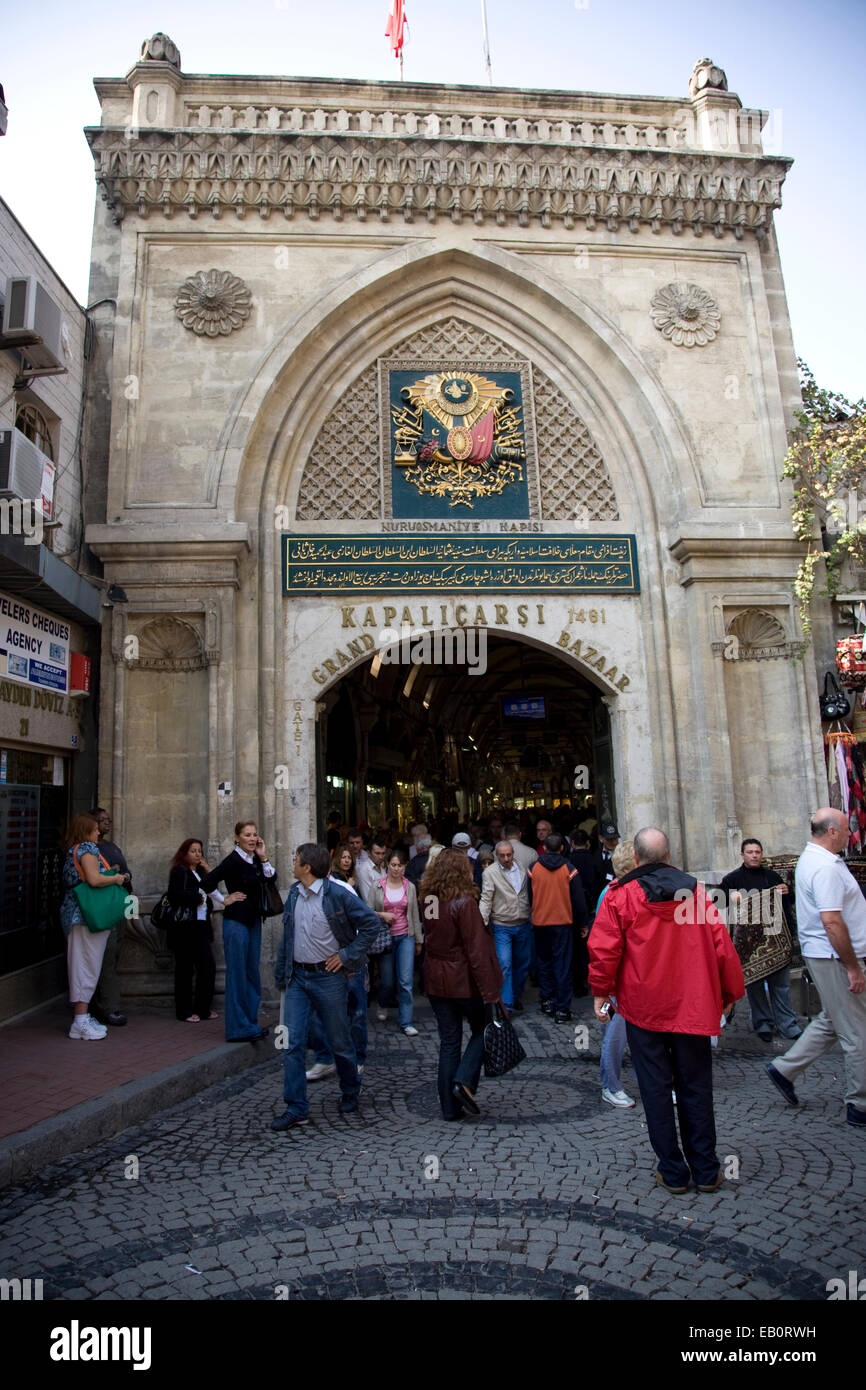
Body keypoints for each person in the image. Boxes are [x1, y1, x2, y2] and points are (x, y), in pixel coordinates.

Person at [590, 827, 745, 1192]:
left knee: (656, 1088)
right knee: (695, 1086)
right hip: (691, 1005)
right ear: (670, 854)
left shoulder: (621, 897)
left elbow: (603, 949)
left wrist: (600, 992)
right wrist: (729, 993)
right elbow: (721, 944)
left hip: (644, 1007)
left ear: (638, 858)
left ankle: (673, 1171)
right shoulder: (695, 894)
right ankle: (706, 1170)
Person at [764, 808, 866, 1127]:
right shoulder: (825, 867)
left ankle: (784, 1069)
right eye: (847, 829)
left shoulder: (813, 858)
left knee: (832, 1019)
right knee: (857, 1032)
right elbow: (832, 921)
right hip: (834, 956)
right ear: (832, 832)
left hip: (825, 954)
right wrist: (853, 967)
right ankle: (859, 1103)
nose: (851, 834)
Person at [272, 842, 381, 1131]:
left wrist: (345, 956)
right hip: (298, 978)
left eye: (295, 859)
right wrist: (282, 972)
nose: (292, 863)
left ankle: (350, 1088)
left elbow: (370, 922)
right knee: (292, 1043)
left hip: (328, 978)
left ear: (307, 867)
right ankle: (296, 1107)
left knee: (339, 1039)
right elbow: (288, 935)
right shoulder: (294, 894)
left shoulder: (337, 894)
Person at [419, 848, 503, 1120]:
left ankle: (449, 1107)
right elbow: (476, 950)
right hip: (461, 979)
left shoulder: (429, 899)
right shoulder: (464, 902)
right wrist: (490, 992)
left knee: (449, 1041)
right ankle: (464, 1081)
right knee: (484, 1027)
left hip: (436, 976)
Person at [719, 838, 800, 1042]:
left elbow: (789, 905)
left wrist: (787, 892)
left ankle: (787, 1024)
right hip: (749, 944)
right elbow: (716, 899)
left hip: (776, 940)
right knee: (754, 986)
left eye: (757, 852)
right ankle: (763, 1023)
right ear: (742, 854)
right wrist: (731, 895)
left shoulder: (772, 877)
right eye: (750, 852)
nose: (754, 855)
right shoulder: (733, 879)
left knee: (781, 986)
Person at [200, 820, 275, 1042]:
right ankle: (237, 1028)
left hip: (253, 921)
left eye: (254, 834)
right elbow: (207, 882)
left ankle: (249, 1022)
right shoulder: (232, 860)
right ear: (237, 838)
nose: (252, 838)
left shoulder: (255, 859)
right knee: (237, 974)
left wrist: (263, 856)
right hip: (236, 922)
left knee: (252, 972)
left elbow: (271, 879)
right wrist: (224, 899)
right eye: (247, 835)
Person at [60, 812, 128, 1040]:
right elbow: (93, 879)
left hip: (80, 915)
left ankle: (83, 1016)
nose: (99, 831)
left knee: (88, 963)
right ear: (85, 830)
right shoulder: (87, 849)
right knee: (85, 964)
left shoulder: (77, 849)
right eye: (95, 828)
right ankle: (79, 1021)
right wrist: (116, 879)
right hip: (84, 916)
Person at [594, 840, 637, 1107]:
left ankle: (661, 1084)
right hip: (620, 977)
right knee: (616, 1032)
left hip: (639, 976)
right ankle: (610, 1084)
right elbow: (603, 944)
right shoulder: (609, 894)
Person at [529, 832, 587, 1022]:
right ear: (562, 848)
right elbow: (578, 899)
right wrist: (583, 922)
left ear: (544, 848)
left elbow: (530, 895)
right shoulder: (569, 869)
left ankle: (547, 1000)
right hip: (562, 922)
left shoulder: (534, 868)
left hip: (540, 921)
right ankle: (562, 1008)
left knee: (544, 963)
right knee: (562, 965)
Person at [366, 848, 424, 1035]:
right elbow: (367, 913)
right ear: (387, 866)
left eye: (400, 865)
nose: (396, 869)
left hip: (405, 935)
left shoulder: (410, 887)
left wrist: (418, 940)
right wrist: (382, 915)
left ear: (405, 867)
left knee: (405, 981)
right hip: (385, 938)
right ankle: (383, 1002)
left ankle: (406, 1021)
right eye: (393, 865)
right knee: (388, 981)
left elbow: (415, 914)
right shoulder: (377, 886)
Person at [166, 838, 219, 1023]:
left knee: (207, 967)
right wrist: (195, 898)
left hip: (201, 925)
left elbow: (213, 888)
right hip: (185, 927)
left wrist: (206, 868)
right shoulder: (180, 872)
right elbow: (174, 895)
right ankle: (184, 1011)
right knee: (185, 969)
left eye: (199, 851)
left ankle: (202, 1008)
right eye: (193, 851)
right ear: (184, 854)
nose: (197, 854)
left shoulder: (200, 872)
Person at [89, 807, 133, 1027]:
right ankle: (108, 1006)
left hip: (119, 903)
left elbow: (125, 871)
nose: (107, 823)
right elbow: (94, 879)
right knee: (106, 957)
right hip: (104, 908)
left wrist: (124, 876)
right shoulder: (89, 850)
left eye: (108, 819)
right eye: (102, 820)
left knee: (114, 954)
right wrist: (113, 874)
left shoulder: (110, 846)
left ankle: (103, 1002)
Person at [479, 840, 532, 1013]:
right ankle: (506, 1005)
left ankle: (515, 996)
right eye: (502, 855)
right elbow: (486, 897)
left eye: (509, 855)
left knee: (523, 963)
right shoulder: (491, 873)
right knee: (505, 964)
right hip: (502, 923)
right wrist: (482, 921)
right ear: (496, 856)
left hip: (523, 921)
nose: (506, 858)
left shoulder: (523, 868)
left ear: (513, 854)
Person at [592, 821, 620, 910]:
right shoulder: (596, 855)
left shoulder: (622, 855)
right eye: (609, 839)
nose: (612, 842)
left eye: (614, 839)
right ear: (601, 839)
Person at [355, 834, 387, 901]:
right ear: (368, 853)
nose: (381, 857)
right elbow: (367, 899)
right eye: (377, 853)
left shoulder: (383, 866)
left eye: (383, 853)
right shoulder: (363, 869)